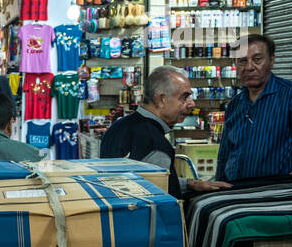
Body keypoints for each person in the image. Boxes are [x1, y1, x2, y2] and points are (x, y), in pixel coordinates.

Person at [99, 66, 231, 196]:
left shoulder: (119, 126)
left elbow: (141, 182)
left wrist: (190, 183)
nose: (192, 104)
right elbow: (159, 200)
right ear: (161, 99)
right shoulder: (155, 144)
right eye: (184, 97)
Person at [215, 34, 292, 182]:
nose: (249, 67)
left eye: (257, 60)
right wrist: (219, 184)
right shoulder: (234, 104)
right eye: (242, 61)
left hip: (276, 194)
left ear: (271, 61)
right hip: (237, 192)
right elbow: (225, 153)